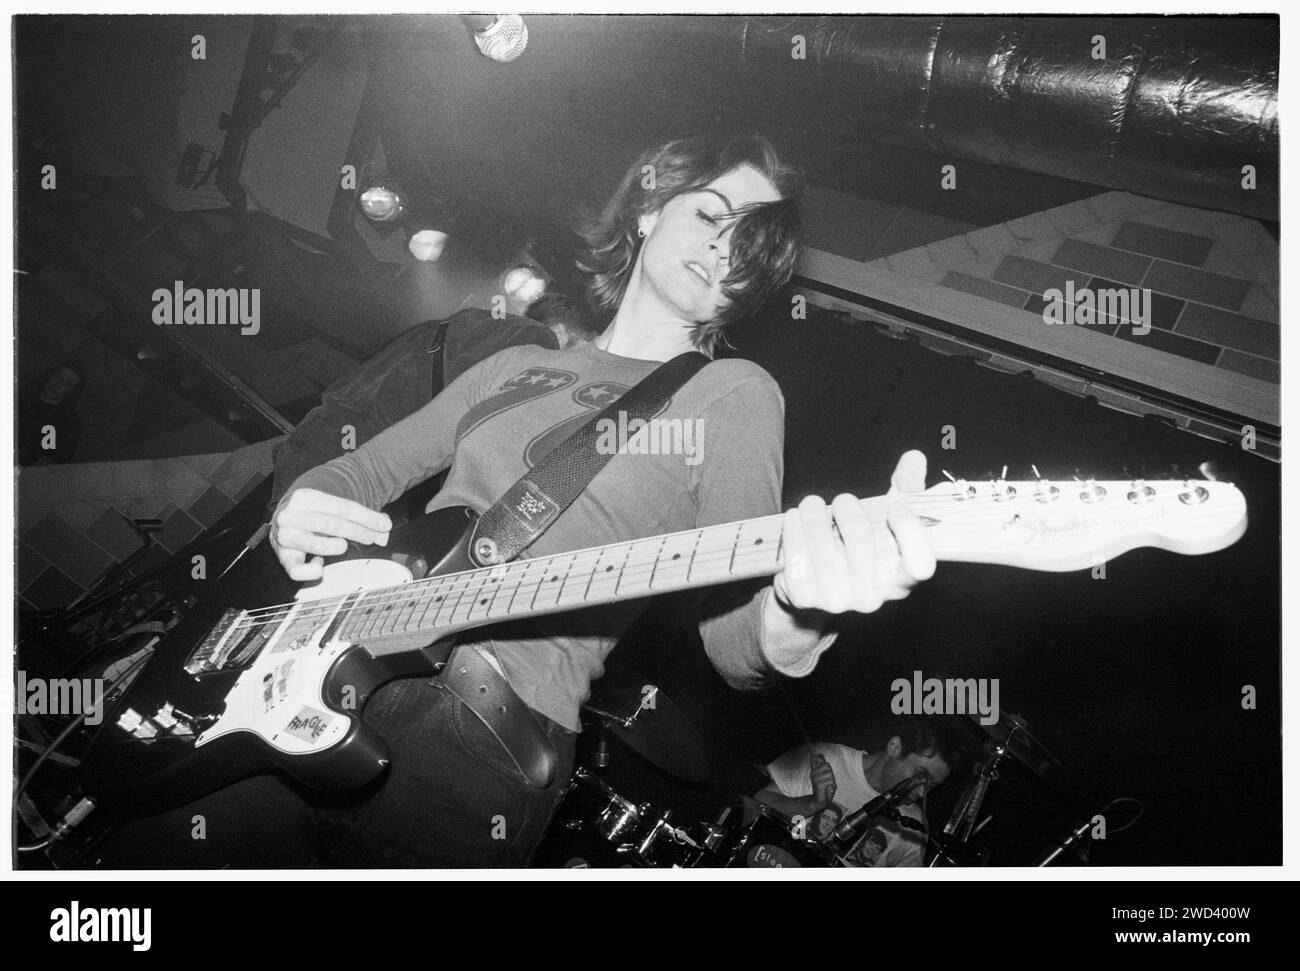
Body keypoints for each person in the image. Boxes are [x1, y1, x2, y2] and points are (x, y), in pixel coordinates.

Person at [93, 132, 937, 870]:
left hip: (479, 743)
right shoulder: (512, 366)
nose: (723, 247)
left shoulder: (734, 394)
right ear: (651, 207)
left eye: (748, 243)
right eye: (712, 214)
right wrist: (303, 505)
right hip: (306, 677)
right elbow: (358, 469)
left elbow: (732, 633)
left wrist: (803, 613)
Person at [269, 290, 598, 512]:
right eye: (588, 348)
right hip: (353, 475)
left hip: (322, 445)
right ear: (562, 331)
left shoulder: (469, 324)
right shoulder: (538, 343)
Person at [755, 718, 962, 867]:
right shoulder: (829, 758)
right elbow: (756, 805)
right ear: (895, 747)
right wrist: (812, 804)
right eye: (920, 775)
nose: (922, 792)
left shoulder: (915, 828)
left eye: (931, 785)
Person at [18, 360, 84, 466]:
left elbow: (63, 457)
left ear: (72, 391)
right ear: (50, 376)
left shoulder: (68, 422)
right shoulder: (21, 399)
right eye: (58, 377)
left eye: (67, 384)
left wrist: (50, 461)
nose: (58, 385)